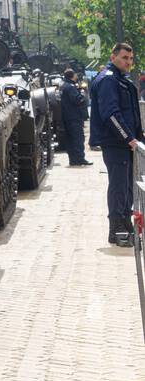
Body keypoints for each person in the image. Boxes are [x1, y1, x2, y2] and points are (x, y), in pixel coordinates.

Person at [89, 42, 142, 246]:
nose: (128, 62)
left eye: (130, 58)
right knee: (119, 186)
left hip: (124, 144)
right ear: (113, 57)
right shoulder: (108, 80)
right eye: (124, 58)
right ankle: (117, 229)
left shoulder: (120, 80)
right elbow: (111, 114)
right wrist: (128, 138)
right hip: (116, 143)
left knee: (127, 187)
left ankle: (125, 224)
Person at [60, 68, 92, 166]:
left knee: (71, 139)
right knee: (78, 138)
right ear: (72, 76)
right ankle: (80, 159)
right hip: (74, 117)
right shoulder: (70, 87)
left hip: (67, 117)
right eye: (75, 75)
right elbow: (77, 100)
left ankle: (73, 160)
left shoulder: (63, 86)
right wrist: (82, 94)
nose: (77, 76)